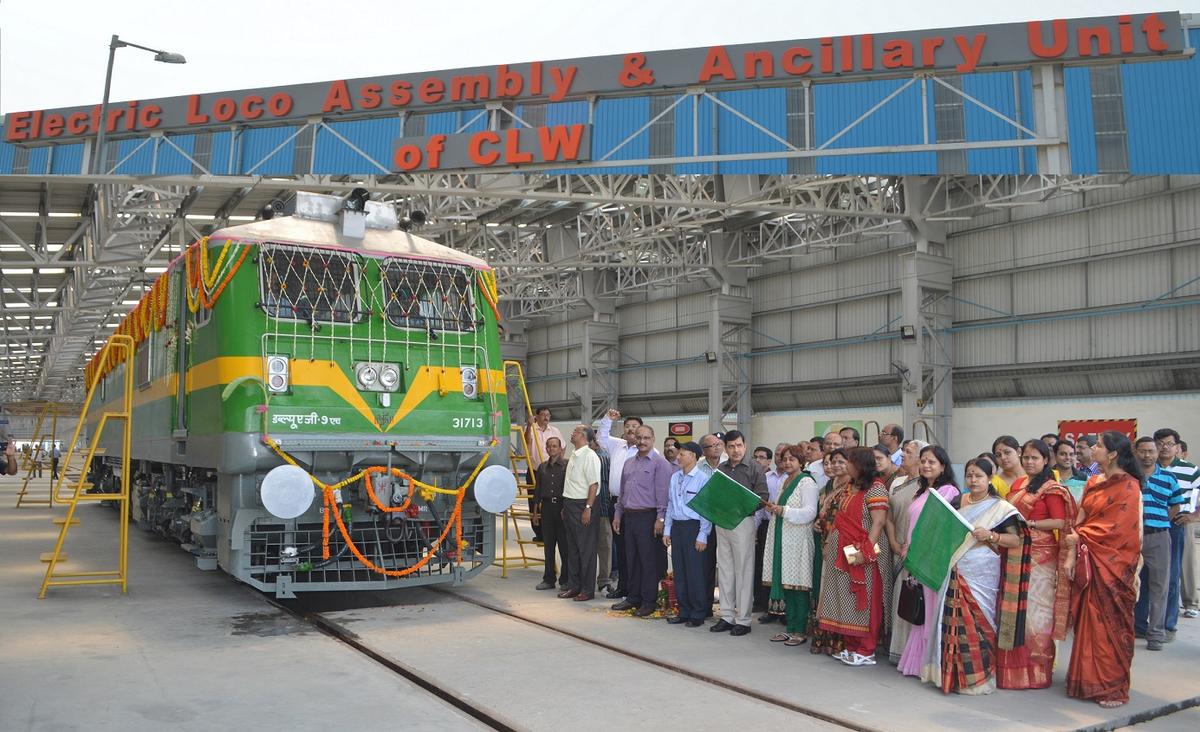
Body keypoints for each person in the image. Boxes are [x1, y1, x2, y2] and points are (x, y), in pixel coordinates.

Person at [924, 458, 1028, 695]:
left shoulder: (1001, 508)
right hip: (956, 565)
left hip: (983, 569)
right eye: (969, 475)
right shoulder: (959, 501)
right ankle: (951, 677)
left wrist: (991, 536)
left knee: (979, 622)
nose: (972, 480)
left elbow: (1015, 540)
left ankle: (977, 679)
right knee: (952, 619)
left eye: (978, 476)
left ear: (990, 478)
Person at [1068, 431, 1144, 708]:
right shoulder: (1092, 482)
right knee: (1088, 623)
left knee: (1109, 625)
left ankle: (1113, 688)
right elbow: (1081, 518)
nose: (1093, 449)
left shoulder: (1129, 487)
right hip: (1090, 560)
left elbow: (1120, 531)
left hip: (1113, 566)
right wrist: (1076, 538)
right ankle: (1085, 680)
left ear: (1112, 454)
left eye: (1098, 446)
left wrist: (1081, 536)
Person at [995, 439, 1078, 690]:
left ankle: (1038, 672)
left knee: (1037, 615)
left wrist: (1030, 525)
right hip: (1015, 552)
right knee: (1013, 611)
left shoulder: (1052, 488)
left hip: (1041, 557)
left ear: (1045, 460)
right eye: (1027, 458)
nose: (1030, 462)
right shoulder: (1020, 484)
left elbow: (1059, 523)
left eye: (1035, 458)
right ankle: (1013, 672)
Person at [816, 447, 891, 666]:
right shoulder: (850, 487)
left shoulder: (876, 488)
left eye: (849, 462)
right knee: (844, 595)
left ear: (860, 465)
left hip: (863, 549)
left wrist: (866, 551)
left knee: (866, 598)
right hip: (843, 550)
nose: (846, 466)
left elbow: (878, 523)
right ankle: (851, 646)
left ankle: (866, 650)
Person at [897, 445, 962, 677]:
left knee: (931, 609)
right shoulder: (922, 490)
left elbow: (939, 528)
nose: (926, 465)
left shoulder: (949, 492)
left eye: (932, 462)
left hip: (931, 559)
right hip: (914, 557)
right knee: (920, 611)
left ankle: (931, 664)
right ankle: (916, 663)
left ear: (943, 466)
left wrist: (920, 551)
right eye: (923, 461)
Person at [711, 430, 768, 636]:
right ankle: (726, 616)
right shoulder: (722, 468)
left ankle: (743, 620)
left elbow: (762, 497)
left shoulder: (754, 468)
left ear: (745, 445)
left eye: (739, 445)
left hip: (743, 522)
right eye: (731, 446)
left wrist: (740, 508)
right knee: (724, 569)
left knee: (743, 571)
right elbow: (715, 493)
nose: (736, 450)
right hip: (722, 522)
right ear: (726, 448)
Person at [611, 426, 672, 617]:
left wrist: (660, 518)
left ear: (653, 439)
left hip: (649, 517)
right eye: (639, 438)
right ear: (634, 439)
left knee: (648, 561)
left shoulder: (660, 464)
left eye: (646, 438)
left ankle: (648, 601)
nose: (642, 441)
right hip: (630, 517)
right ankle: (633, 597)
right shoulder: (629, 463)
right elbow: (622, 492)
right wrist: (618, 514)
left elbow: (663, 494)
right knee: (632, 559)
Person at [761, 444, 819, 646]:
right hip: (783, 538)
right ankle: (790, 628)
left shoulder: (807, 482)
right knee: (787, 584)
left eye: (791, 459)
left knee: (798, 586)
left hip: (798, 540)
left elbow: (810, 512)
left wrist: (784, 511)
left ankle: (800, 630)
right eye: (784, 459)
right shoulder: (786, 481)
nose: (787, 463)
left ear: (801, 461)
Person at [1133, 437, 1183, 650]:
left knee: (1159, 586)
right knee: (1129, 583)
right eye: (1143, 451)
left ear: (1156, 452)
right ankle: (1132, 628)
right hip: (1132, 536)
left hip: (1159, 536)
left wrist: (1158, 521)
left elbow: (1175, 507)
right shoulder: (1129, 477)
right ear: (1136, 452)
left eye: (1151, 451)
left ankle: (1155, 634)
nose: (1147, 455)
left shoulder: (1169, 478)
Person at [886, 439, 929, 663]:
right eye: (903, 450)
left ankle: (908, 654)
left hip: (913, 551)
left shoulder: (928, 485)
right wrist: (893, 541)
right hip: (895, 546)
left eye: (908, 452)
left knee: (911, 598)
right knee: (895, 598)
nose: (902, 454)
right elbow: (890, 517)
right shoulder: (898, 482)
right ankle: (895, 647)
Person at [662, 442, 714, 627]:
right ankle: (683, 610)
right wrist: (667, 530)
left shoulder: (702, 478)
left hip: (694, 528)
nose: (678, 457)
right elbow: (670, 504)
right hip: (678, 527)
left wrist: (703, 535)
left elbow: (706, 509)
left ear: (693, 456)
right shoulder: (675, 477)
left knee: (695, 572)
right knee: (680, 571)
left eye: (682, 454)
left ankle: (698, 613)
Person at [1153, 428, 1200, 623]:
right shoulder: (1148, 467)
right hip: (1153, 524)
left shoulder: (1190, 469)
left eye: (1169, 444)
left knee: (1184, 563)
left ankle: (1190, 604)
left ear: (1177, 447)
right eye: (1160, 444)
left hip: (1180, 522)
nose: (1164, 448)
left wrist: (1194, 516)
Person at [596, 409, 643, 599]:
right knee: (620, 547)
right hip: (616, 504)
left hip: (636, 506)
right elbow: (601, 437)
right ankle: (622, 586)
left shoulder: (647, 452)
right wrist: (608, 419)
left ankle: (635, 588)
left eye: (635, 426)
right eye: (628, 426)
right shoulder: (618, 445)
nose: (631, 429)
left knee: (634, 549)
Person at [810, 449, 850, 657]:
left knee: (838, 592)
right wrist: (820, 522)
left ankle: (840, 642)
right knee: (825, 591)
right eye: (832, 462)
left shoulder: (851, 488)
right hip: (826, 543)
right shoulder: (830, 485)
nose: (835, 466)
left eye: (840, 462)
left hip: (843, 547)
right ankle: (825, 639)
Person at [560, 425, 601, 602]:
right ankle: (574, 586)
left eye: (575, 431)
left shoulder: (590, 456)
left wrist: (588, 508)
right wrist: (565, 506)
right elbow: (572, 484)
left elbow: (594, 484)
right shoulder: (574, 456)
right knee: (573, 549)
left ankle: (587, 590)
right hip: (570, 504)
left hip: (583, 505)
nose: (572, 433)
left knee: (586, 550)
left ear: (584, 436)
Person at [754, 443, 789, 620]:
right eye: (778, 454)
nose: (781, 458)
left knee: (784, 568)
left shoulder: (795, 479)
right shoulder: (766, 477)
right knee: (765, 566)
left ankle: (785, 610)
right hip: (767, 527)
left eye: (786, 455)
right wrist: (754, 529)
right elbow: (760, 506)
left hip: (790, 527)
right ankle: (768, 607)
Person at [533, 437, 569, 591]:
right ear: (546, 449)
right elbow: (537, 491)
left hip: (562, 508)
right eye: (549, 446)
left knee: (564, 546)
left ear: (560, 448)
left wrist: (566, 508)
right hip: (546, 508)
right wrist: (535, 513)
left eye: (555, 446)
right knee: (548, 546)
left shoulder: (567, 466)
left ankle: (566, 579)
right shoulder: (542, 467)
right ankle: (548, 579)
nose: (552, 449)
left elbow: (570, 488)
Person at [526, 407, 563, 541]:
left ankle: (551, 531)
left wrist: (558, 464)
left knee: (551, 500)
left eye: (548, 415)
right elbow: (527, 442)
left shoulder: (555, 431)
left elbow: (562, 447)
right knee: (534, 500)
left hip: (552, 470)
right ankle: (539, 532)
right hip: (535, 470)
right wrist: (529, 425)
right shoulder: (531, 428)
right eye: (543, 415)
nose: (546, 417)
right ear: (537, 416)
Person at [590, 430, 614, 595]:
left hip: (600, 509)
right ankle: (587, 580)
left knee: (604, 546)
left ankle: (604, 581)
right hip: (586, 508)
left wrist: (602, 509)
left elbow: (603, 486)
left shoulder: (602, 458)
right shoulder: (580, 457)